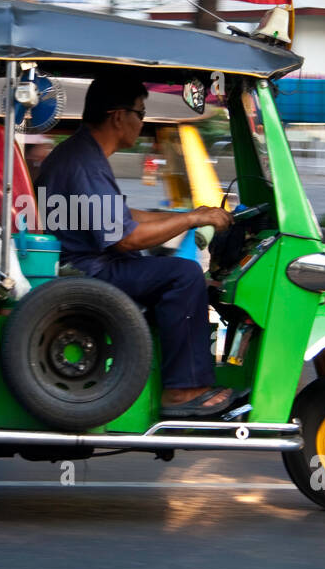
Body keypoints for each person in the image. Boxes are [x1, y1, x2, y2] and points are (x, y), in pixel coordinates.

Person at [35, 74, 236, 418]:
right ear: (117, 116)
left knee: (174, 269)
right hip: (87, 269)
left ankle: (168, 374)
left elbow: (122, 216)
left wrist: (191, 214)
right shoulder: (84, 162)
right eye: (140, 114)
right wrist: (192, 220)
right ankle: (183, 391)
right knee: (184, 273)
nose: (141, 124)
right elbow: (126, 239)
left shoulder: (82, 154)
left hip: (84, 263)